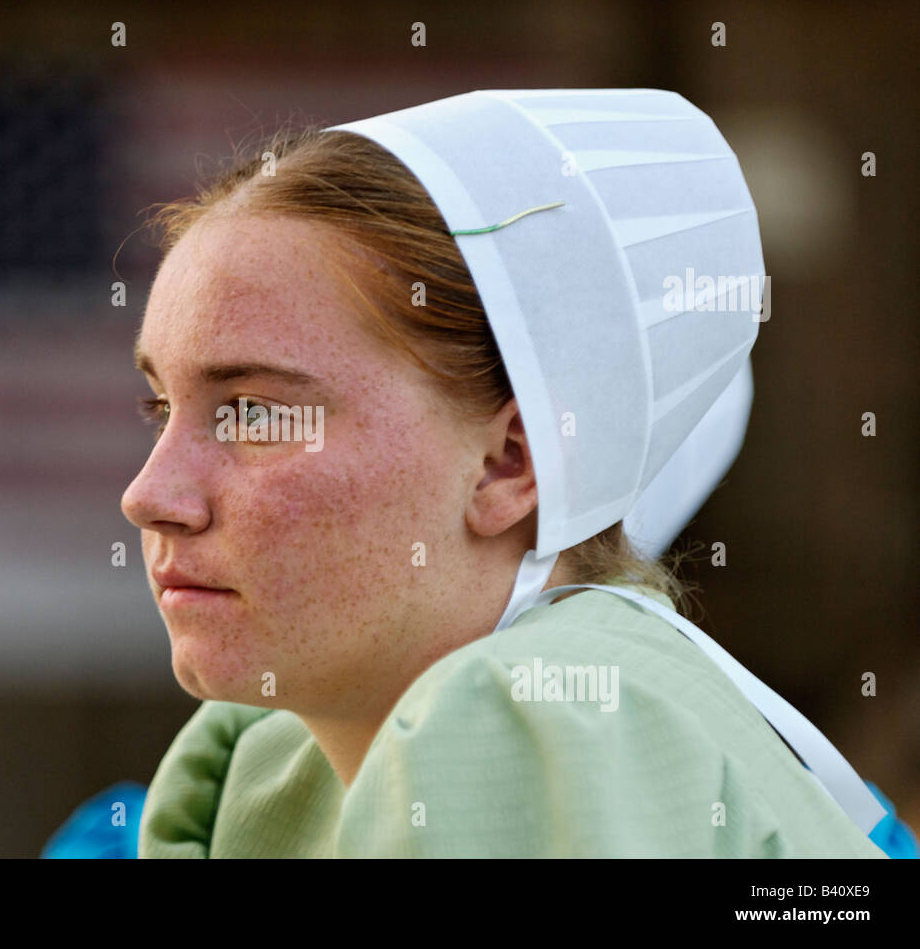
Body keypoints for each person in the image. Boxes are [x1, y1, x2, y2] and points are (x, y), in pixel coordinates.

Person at [111, 89, 894, 858]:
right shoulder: (276, 760)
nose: (149, 497)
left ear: (509, 463)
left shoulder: (527, 722)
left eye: (254, 412)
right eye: (160, 408)